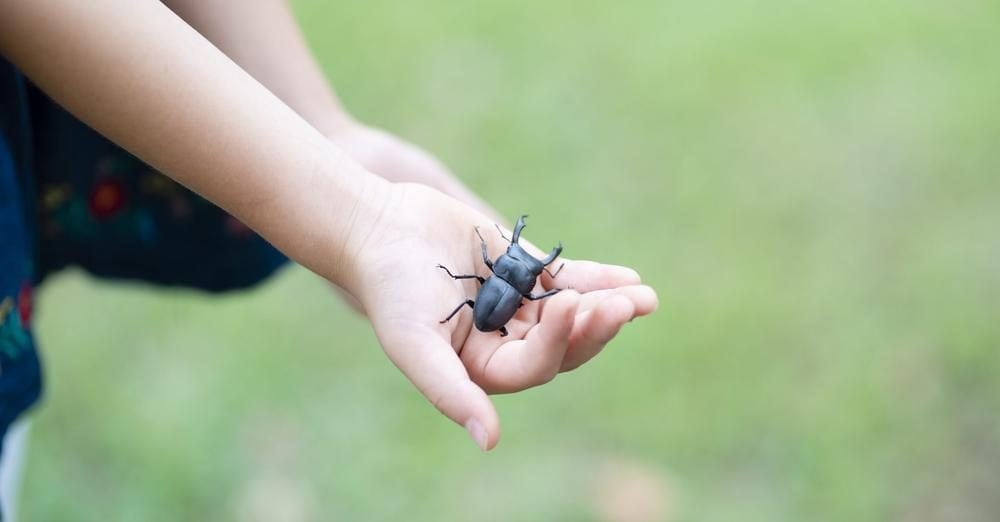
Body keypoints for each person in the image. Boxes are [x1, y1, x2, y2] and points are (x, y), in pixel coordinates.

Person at [0, 0, 657, 516]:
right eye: (517, 261)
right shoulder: (504, 277)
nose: (513, 261)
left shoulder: (500, 275)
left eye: (518, 264)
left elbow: (491, 275)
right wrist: (360, 219)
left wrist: (331, 134)